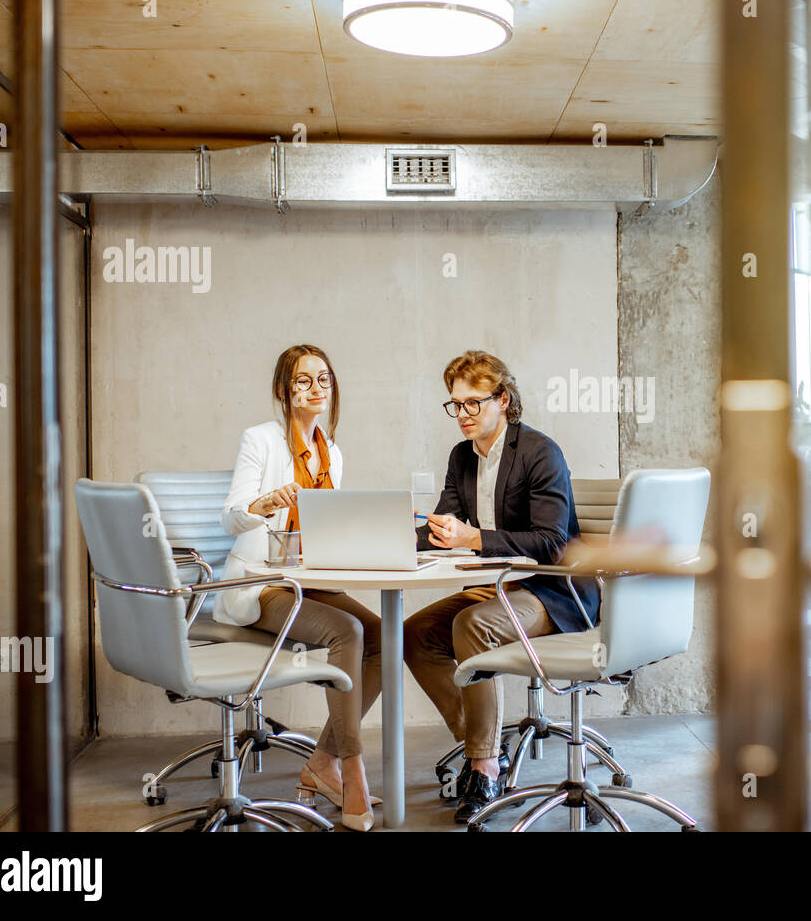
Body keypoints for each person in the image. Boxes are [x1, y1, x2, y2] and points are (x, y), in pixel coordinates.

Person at [403, 350, 600, 824]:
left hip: (554, 591)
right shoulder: (461, 458)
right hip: (499, 587)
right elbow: (442, 527)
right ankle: (480, 744)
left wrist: (474, 539)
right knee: (415, 635)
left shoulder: (539, 451)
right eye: (456, 405)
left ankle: (485, 765)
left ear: (503, 400)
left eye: (474, 403)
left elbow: (552, 543)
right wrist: (385, 537)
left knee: (472, 626)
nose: (463, 415)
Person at [217, 344, 381, 831]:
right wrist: (265, 502)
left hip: (309, 579)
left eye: (324, 379)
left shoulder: (334, 453)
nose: (316, 388)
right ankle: (351, 769)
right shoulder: (261, 440)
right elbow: (230, 518)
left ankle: (321, 762)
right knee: (348, 633)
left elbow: (325, 531)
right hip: (262, 582)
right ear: (283, 391)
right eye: (304, 380)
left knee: (385, 637)